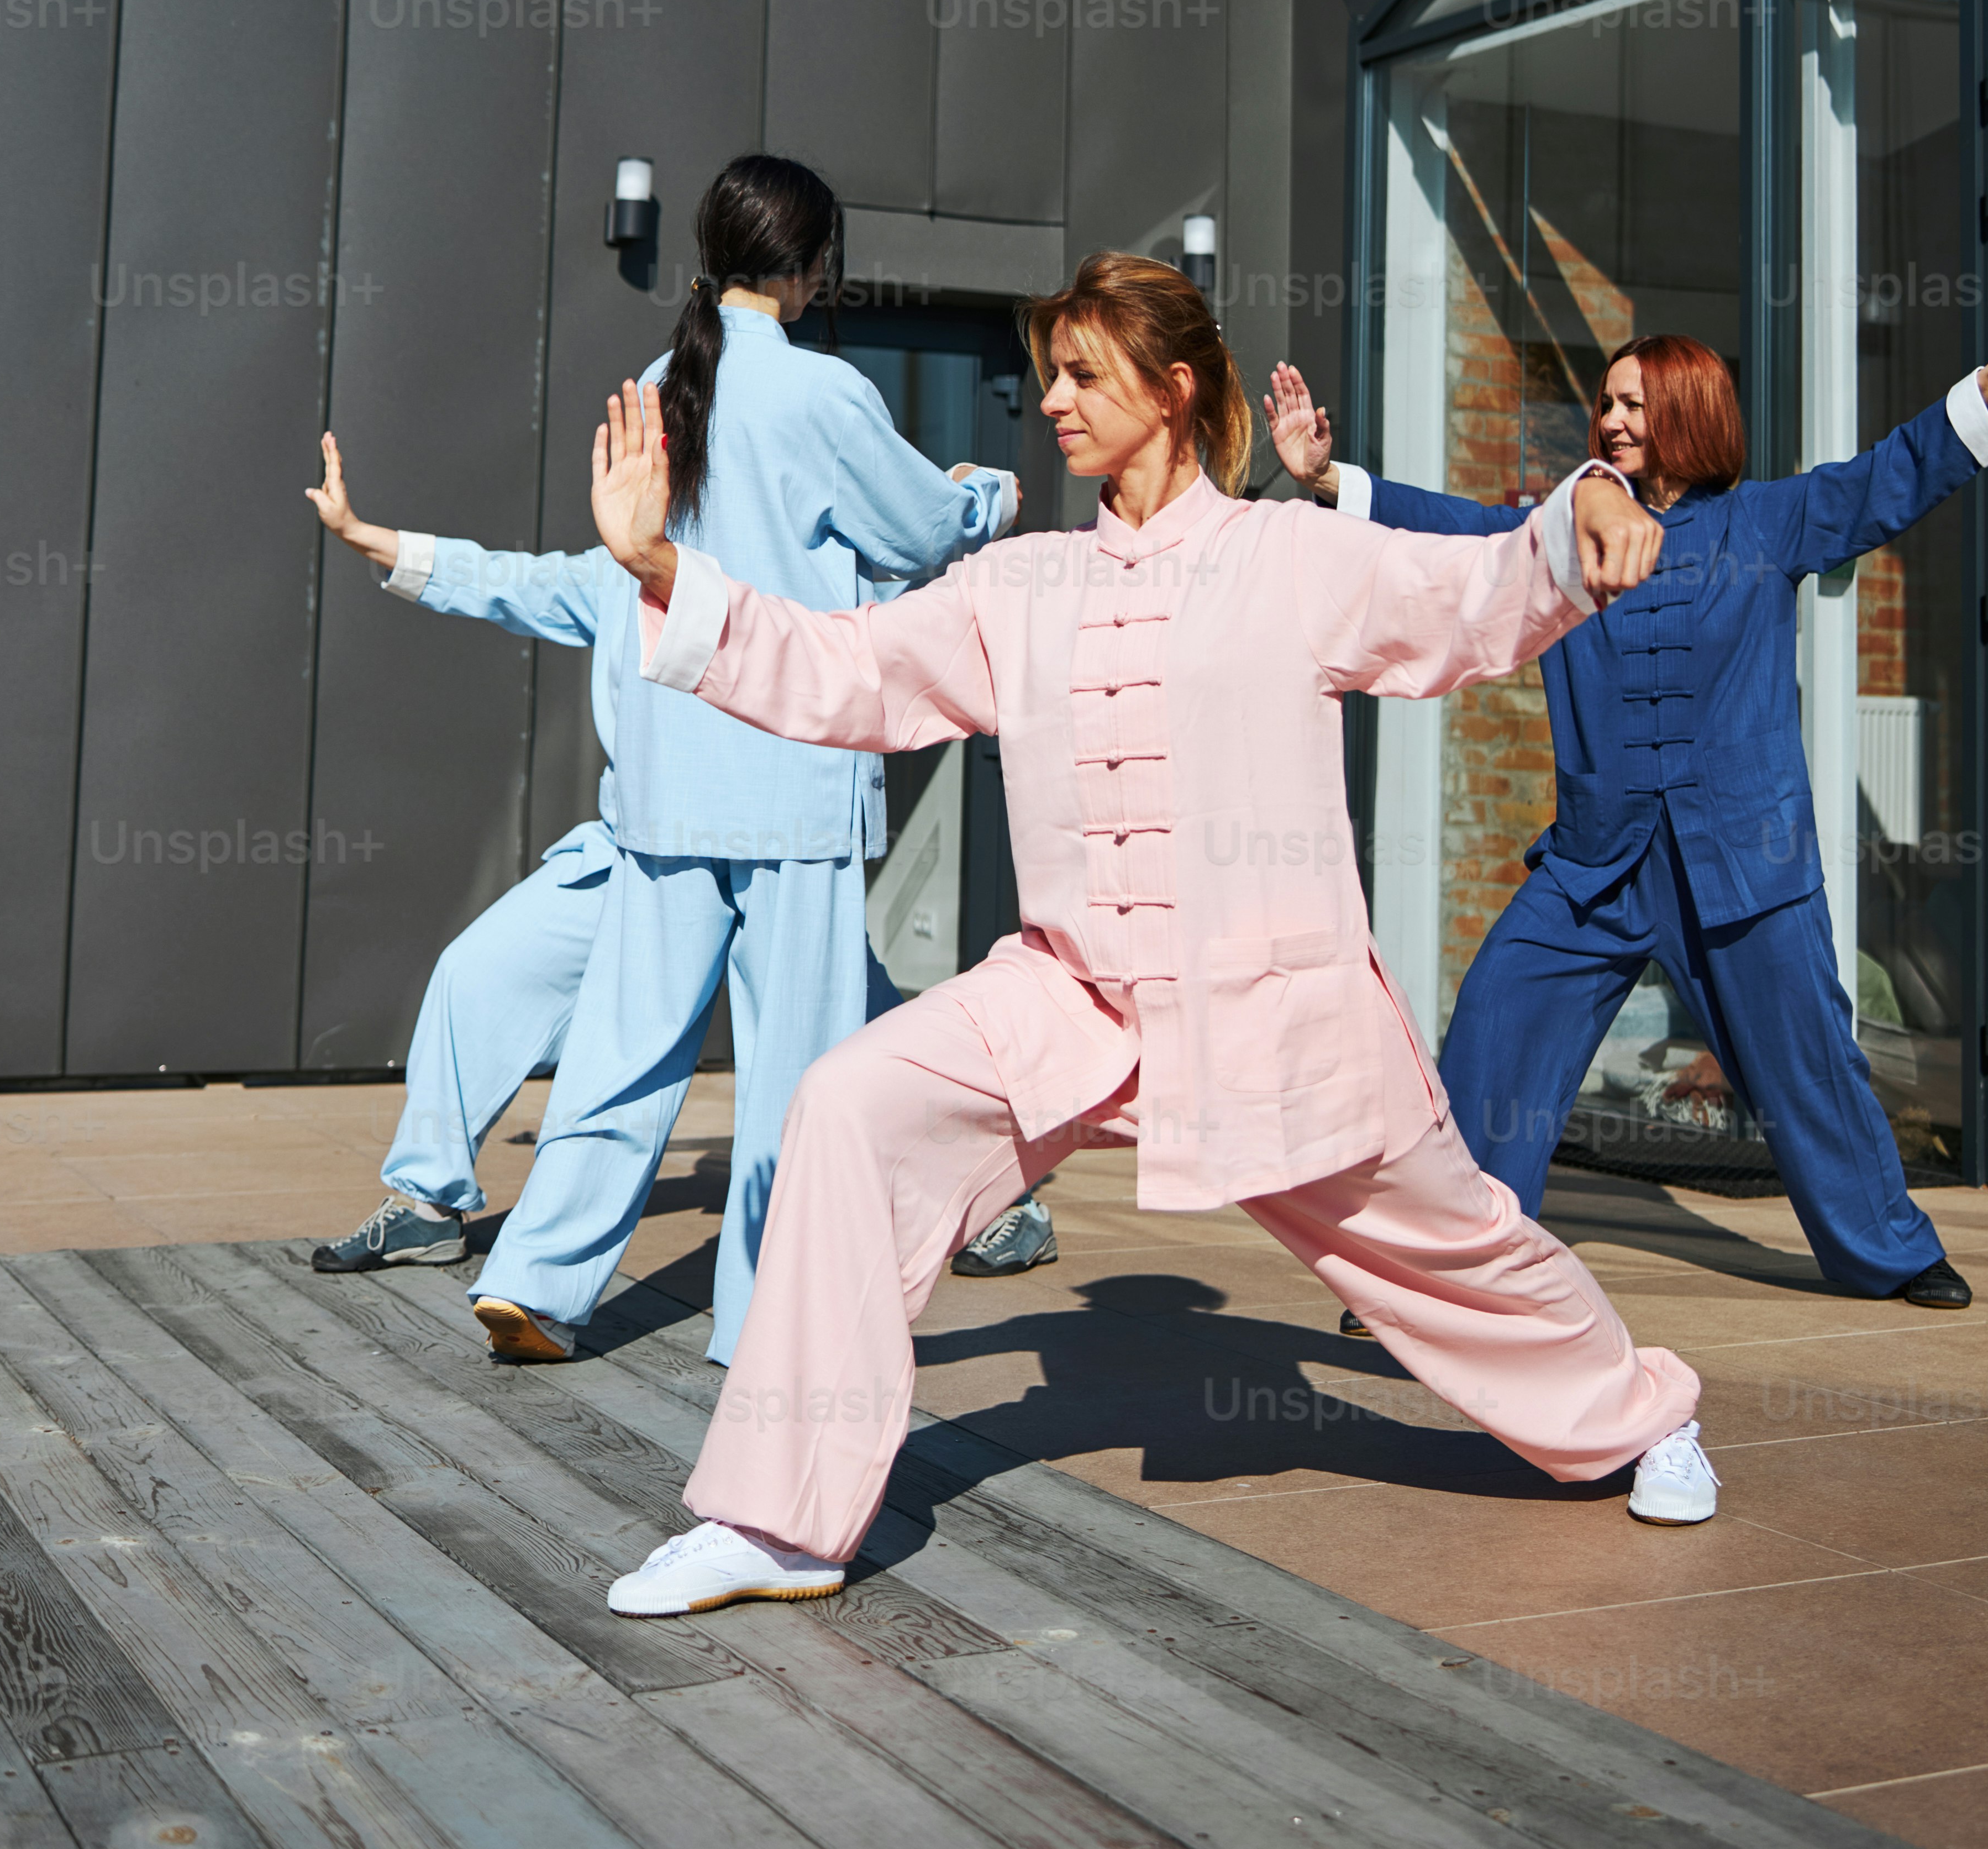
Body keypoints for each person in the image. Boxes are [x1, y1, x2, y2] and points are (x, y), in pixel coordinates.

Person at [576, 249, 1715, 1621]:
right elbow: (852, 667)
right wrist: (663, 568)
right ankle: (777, 1522)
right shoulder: (1020, 583)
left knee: (1450, 1244)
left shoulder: (1289, 556)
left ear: (1171, 390)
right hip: (1068, 1000)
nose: (1052, 401)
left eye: (1081, 375)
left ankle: (1645, 1417)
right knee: (853, 1105)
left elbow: (1469, 595)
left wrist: (1584, 502)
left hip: (1270, 1015)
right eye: (1049, 374)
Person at [1264, 335, 1988, 1312]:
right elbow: (1455, 532)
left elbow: (1890, 476)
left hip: (1747, 867)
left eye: (1634, 405)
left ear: (1691, 411)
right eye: (1607, 404)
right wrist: (1327, 479)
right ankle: (1441, 1277)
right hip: (1595, 867)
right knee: (1493, 1027)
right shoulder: (1566, 531)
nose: (1611, 421)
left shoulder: (1771, 521)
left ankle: (1890, 1252)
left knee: (1808, 1063)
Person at [466, 154, 1017, 1369]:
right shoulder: (825, 392)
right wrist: (990, 495)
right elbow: (923, 532)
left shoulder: (658, 384)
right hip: (793, 776)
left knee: (623, 1049)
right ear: (812, 265)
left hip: (668, 779)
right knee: (795, 1072)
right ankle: (764, 1317)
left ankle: (536, 1280)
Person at [302, 438, 656, 1278]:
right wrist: (359, 533)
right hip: (634, 854)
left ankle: (971, 1202)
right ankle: (429, 1206)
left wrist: (962, 499)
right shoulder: (618, 575)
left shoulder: (796, 562)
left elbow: (912, 546)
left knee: (852, 1044)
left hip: (772, 864)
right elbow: (501, 578)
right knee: (475, 974)